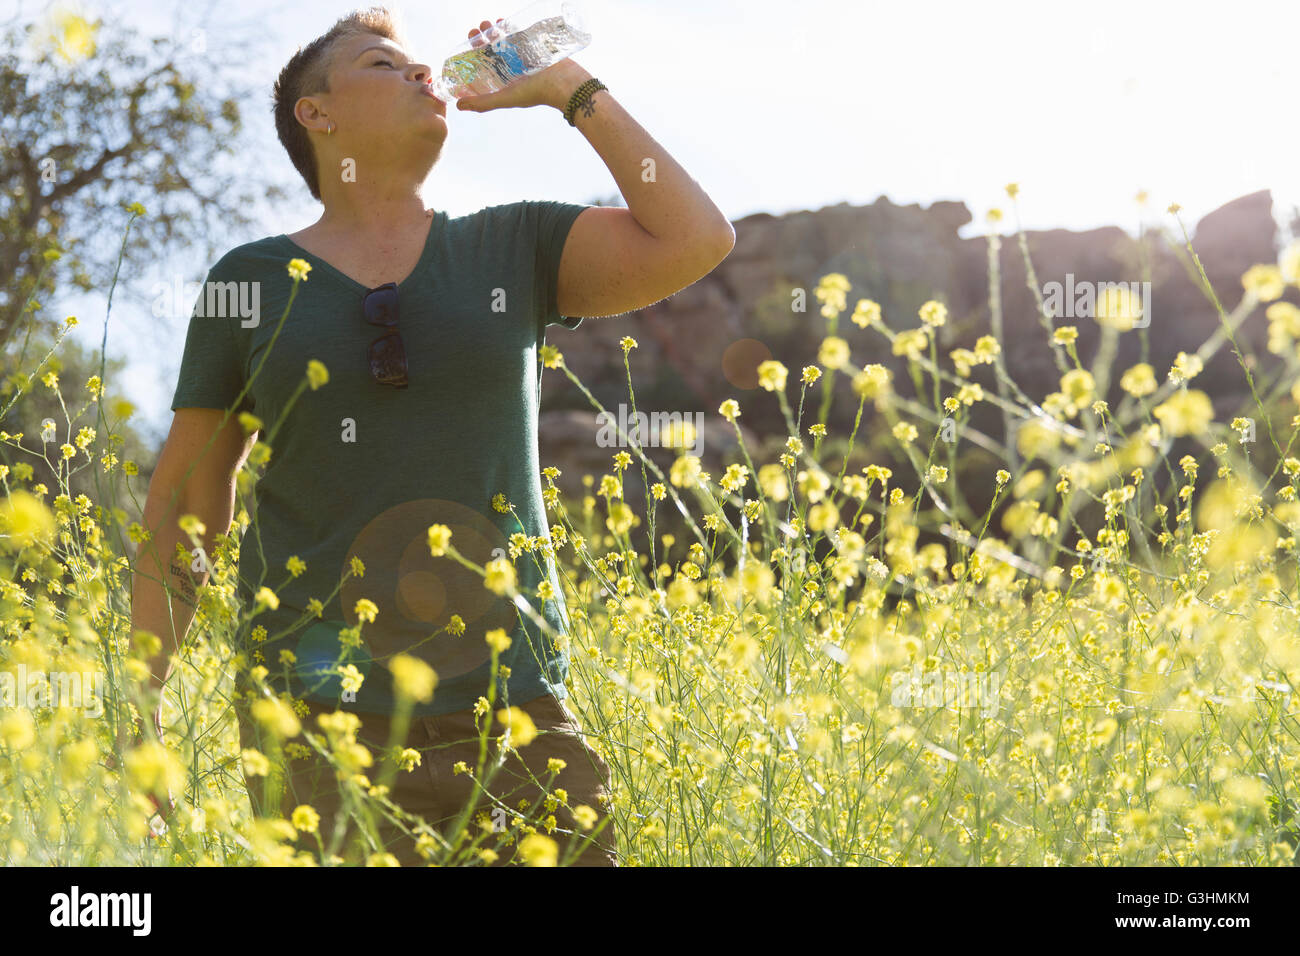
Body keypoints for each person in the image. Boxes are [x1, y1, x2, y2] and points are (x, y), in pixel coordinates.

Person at [128, 6, 734, 866]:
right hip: (315, 727)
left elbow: (697, 238)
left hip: (518, 710)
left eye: (422, 64)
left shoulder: (514, 246)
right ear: (317, 112)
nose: (421, 74)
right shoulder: (248, 281)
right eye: (384, 63)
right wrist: (140, 706)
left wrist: (569, 88)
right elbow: (187, 504)